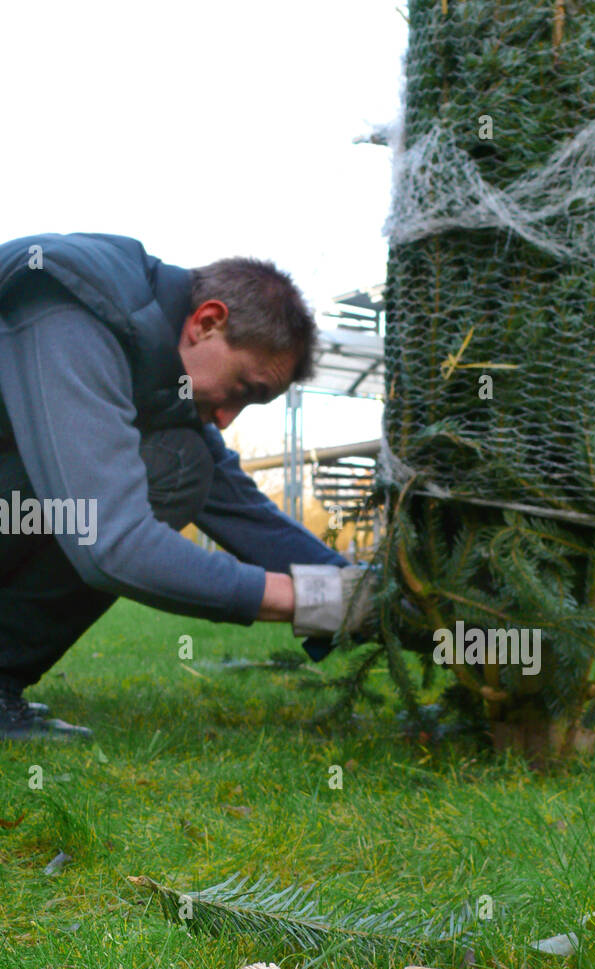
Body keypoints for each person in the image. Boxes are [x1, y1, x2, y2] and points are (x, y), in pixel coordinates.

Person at [0, 233, 373, 741]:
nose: (224, 418)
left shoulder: (156, 363)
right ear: (208, 322)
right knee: (170, 467)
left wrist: (370, 594)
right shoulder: (72, 304)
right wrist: (306, 599)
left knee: (183, 460)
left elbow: (241, 511)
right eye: (244, 390)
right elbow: (112, 542)